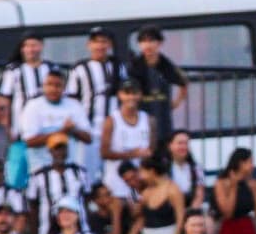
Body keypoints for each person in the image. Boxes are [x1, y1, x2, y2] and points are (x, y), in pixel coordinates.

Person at [66, 27, 125, 172]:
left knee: (114, 172)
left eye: (104, 42)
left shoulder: (118, 66)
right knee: (89, 172)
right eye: (96, 42)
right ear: (89, 45)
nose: (100, 46)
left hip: (114, 130)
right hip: (89, 129)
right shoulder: (79, 68)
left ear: (110, 45)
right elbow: (72, 99)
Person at [25, 133, 89, 234]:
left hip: (78, 229)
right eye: (56, 149)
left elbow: (86, 199)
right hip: (48, 231)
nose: (60, 153)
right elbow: (33, 207)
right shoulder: (38, 176)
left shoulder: (80, 173)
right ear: (50, 151)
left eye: (63, 149)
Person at [128, 27, 188, 142]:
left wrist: (176, 103)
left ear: (159, 43)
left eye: (151, 41)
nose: (147, 45)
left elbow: (183, 82)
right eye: (143, 41)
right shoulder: (134, 66)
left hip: (163, 117)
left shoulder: (166, 65)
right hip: (141, 117)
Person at [98, 81, 152, 200]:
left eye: (135, 93)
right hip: (116, 184)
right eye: (127, 93)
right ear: (120, 95)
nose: (131, 97)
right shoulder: (111, 120)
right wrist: (133, 154)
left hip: (140, 184)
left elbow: (152, 150)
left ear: (140, 95)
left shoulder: (147, 119)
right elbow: (104, 153)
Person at [0, 33, 53, 139]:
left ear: (41, 46)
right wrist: (6, 125)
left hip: (47, 124)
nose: (30, 49)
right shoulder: (13, 70)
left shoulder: (51, 68)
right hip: (20, 125)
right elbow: (5, 99)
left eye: (34, 45)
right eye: (27, 46)